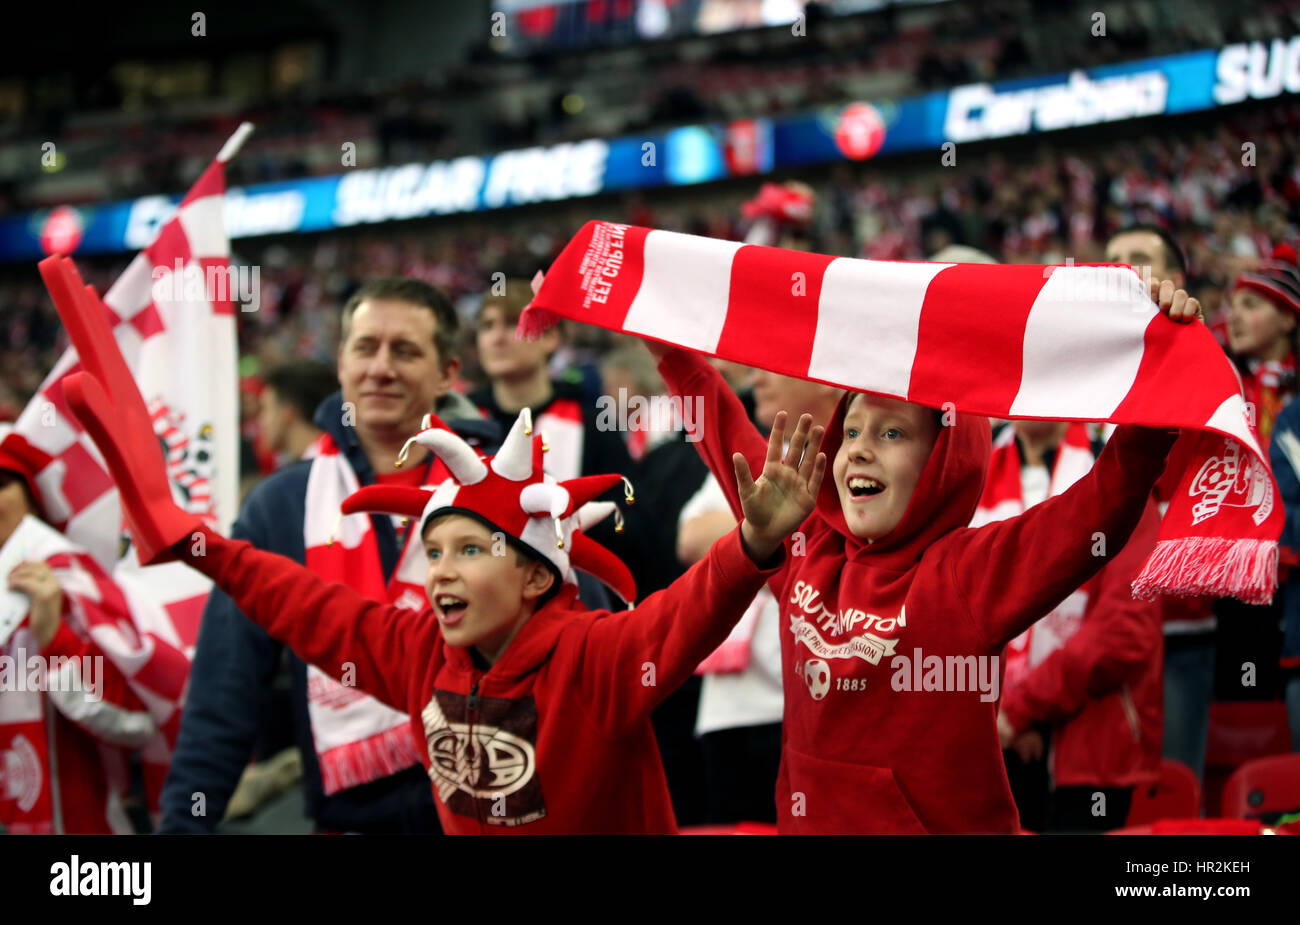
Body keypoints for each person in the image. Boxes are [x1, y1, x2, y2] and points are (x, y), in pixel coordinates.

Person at [50, 284, 828, 832]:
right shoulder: (416, 649)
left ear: (534, 571)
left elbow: (684, 613)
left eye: (468, 549)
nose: (439, 571)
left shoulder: (596, 657)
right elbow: (295, 599)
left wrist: (755, 542)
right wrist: (191, 539)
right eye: (433, 551)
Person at [648, 281, 1200, 833]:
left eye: (892, 433)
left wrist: (1158, 378)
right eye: (853, 431)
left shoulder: (968, 573)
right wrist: (659, 334)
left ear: (944, 462)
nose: (860, 448)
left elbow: (1098, 506)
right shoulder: (805, 547)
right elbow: (722, 429)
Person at [160, 277, 495, 834]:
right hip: (350, 820)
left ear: (447, 374)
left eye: (406, 351)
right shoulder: (279, 507)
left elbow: (576, 652)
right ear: (341, 361)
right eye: (366, 347)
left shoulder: (506, 490)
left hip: (498, 813)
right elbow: (225, 688)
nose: (381, 367)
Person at [979, 420, 1163, 832]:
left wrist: (1021, 709)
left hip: (1087, 755)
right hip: (988, 745)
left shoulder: (1119, 476)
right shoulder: (972, 475)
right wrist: (1003, 716)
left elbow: (1123, 634)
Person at [677, 366, 842, 825]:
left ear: (829, 377)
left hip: (822, 708)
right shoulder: (768, 455)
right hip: (734, 709)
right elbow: (690, 537)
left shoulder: (862, 456)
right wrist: (776, 528)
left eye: (770, 369)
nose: (755, 382)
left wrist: (766, 535)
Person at [0, 429, 157, 833]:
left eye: (0, 484)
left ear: (32, 500)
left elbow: (135, 720)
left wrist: (55, 639)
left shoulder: (72, 578)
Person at [1107, 224, 1214, 786]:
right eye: (1111, 259)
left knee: (1167, 794)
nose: (1123, 270)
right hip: (1080, 642)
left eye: (1140, 259)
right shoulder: (1071, 375)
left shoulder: (1206, 364)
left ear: (1178, 278)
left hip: (1177, 630)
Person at [257, 361, 339, 466]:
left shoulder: (325, 469)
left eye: (265, 409)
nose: (260, 421)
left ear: (287, 411)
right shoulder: (330, 462)